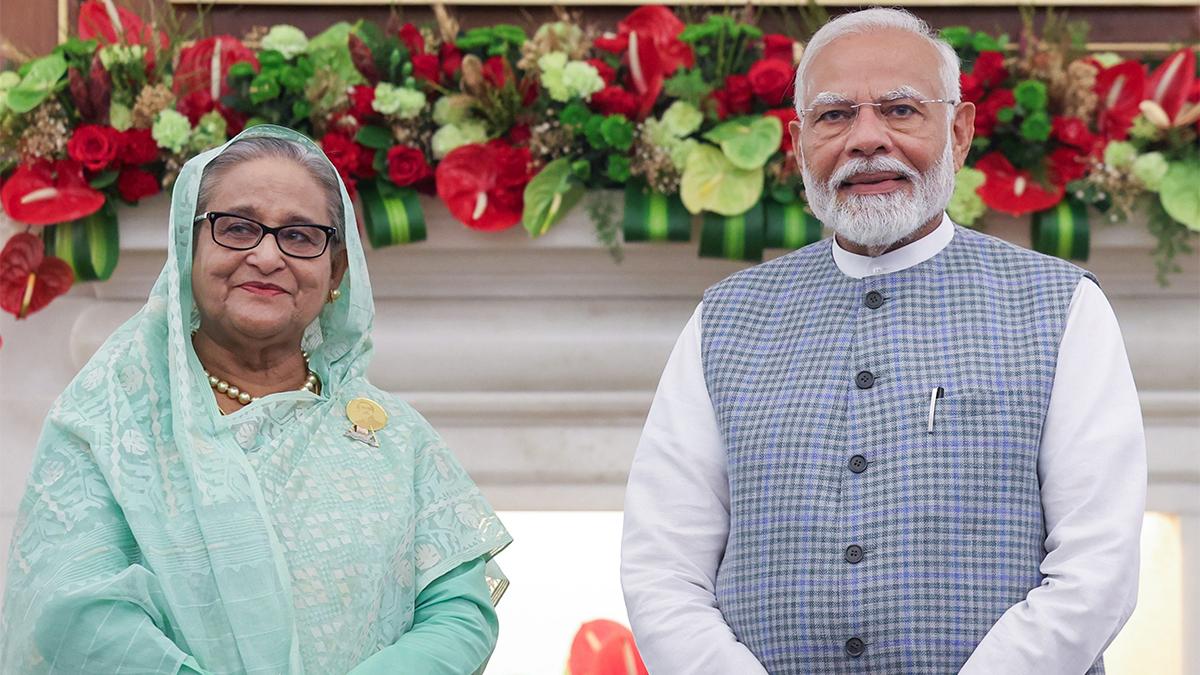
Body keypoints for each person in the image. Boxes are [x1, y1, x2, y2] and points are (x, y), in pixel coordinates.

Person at [621, 8, 1145, 675]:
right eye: (834, 115)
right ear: (797, 141)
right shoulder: (724, 319)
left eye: (900, 110)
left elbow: (1098, 568)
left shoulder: (1062, 306)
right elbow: (661, 566)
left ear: (958, 132)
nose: (866, 139)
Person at [1, 125, 511, 675]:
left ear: (335, 269)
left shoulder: (394, 436)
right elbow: (73, 611)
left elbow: (459, 612)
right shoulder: (110, 418)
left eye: (300, 236)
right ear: (188, 248)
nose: (268, 257)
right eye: (238, 227)